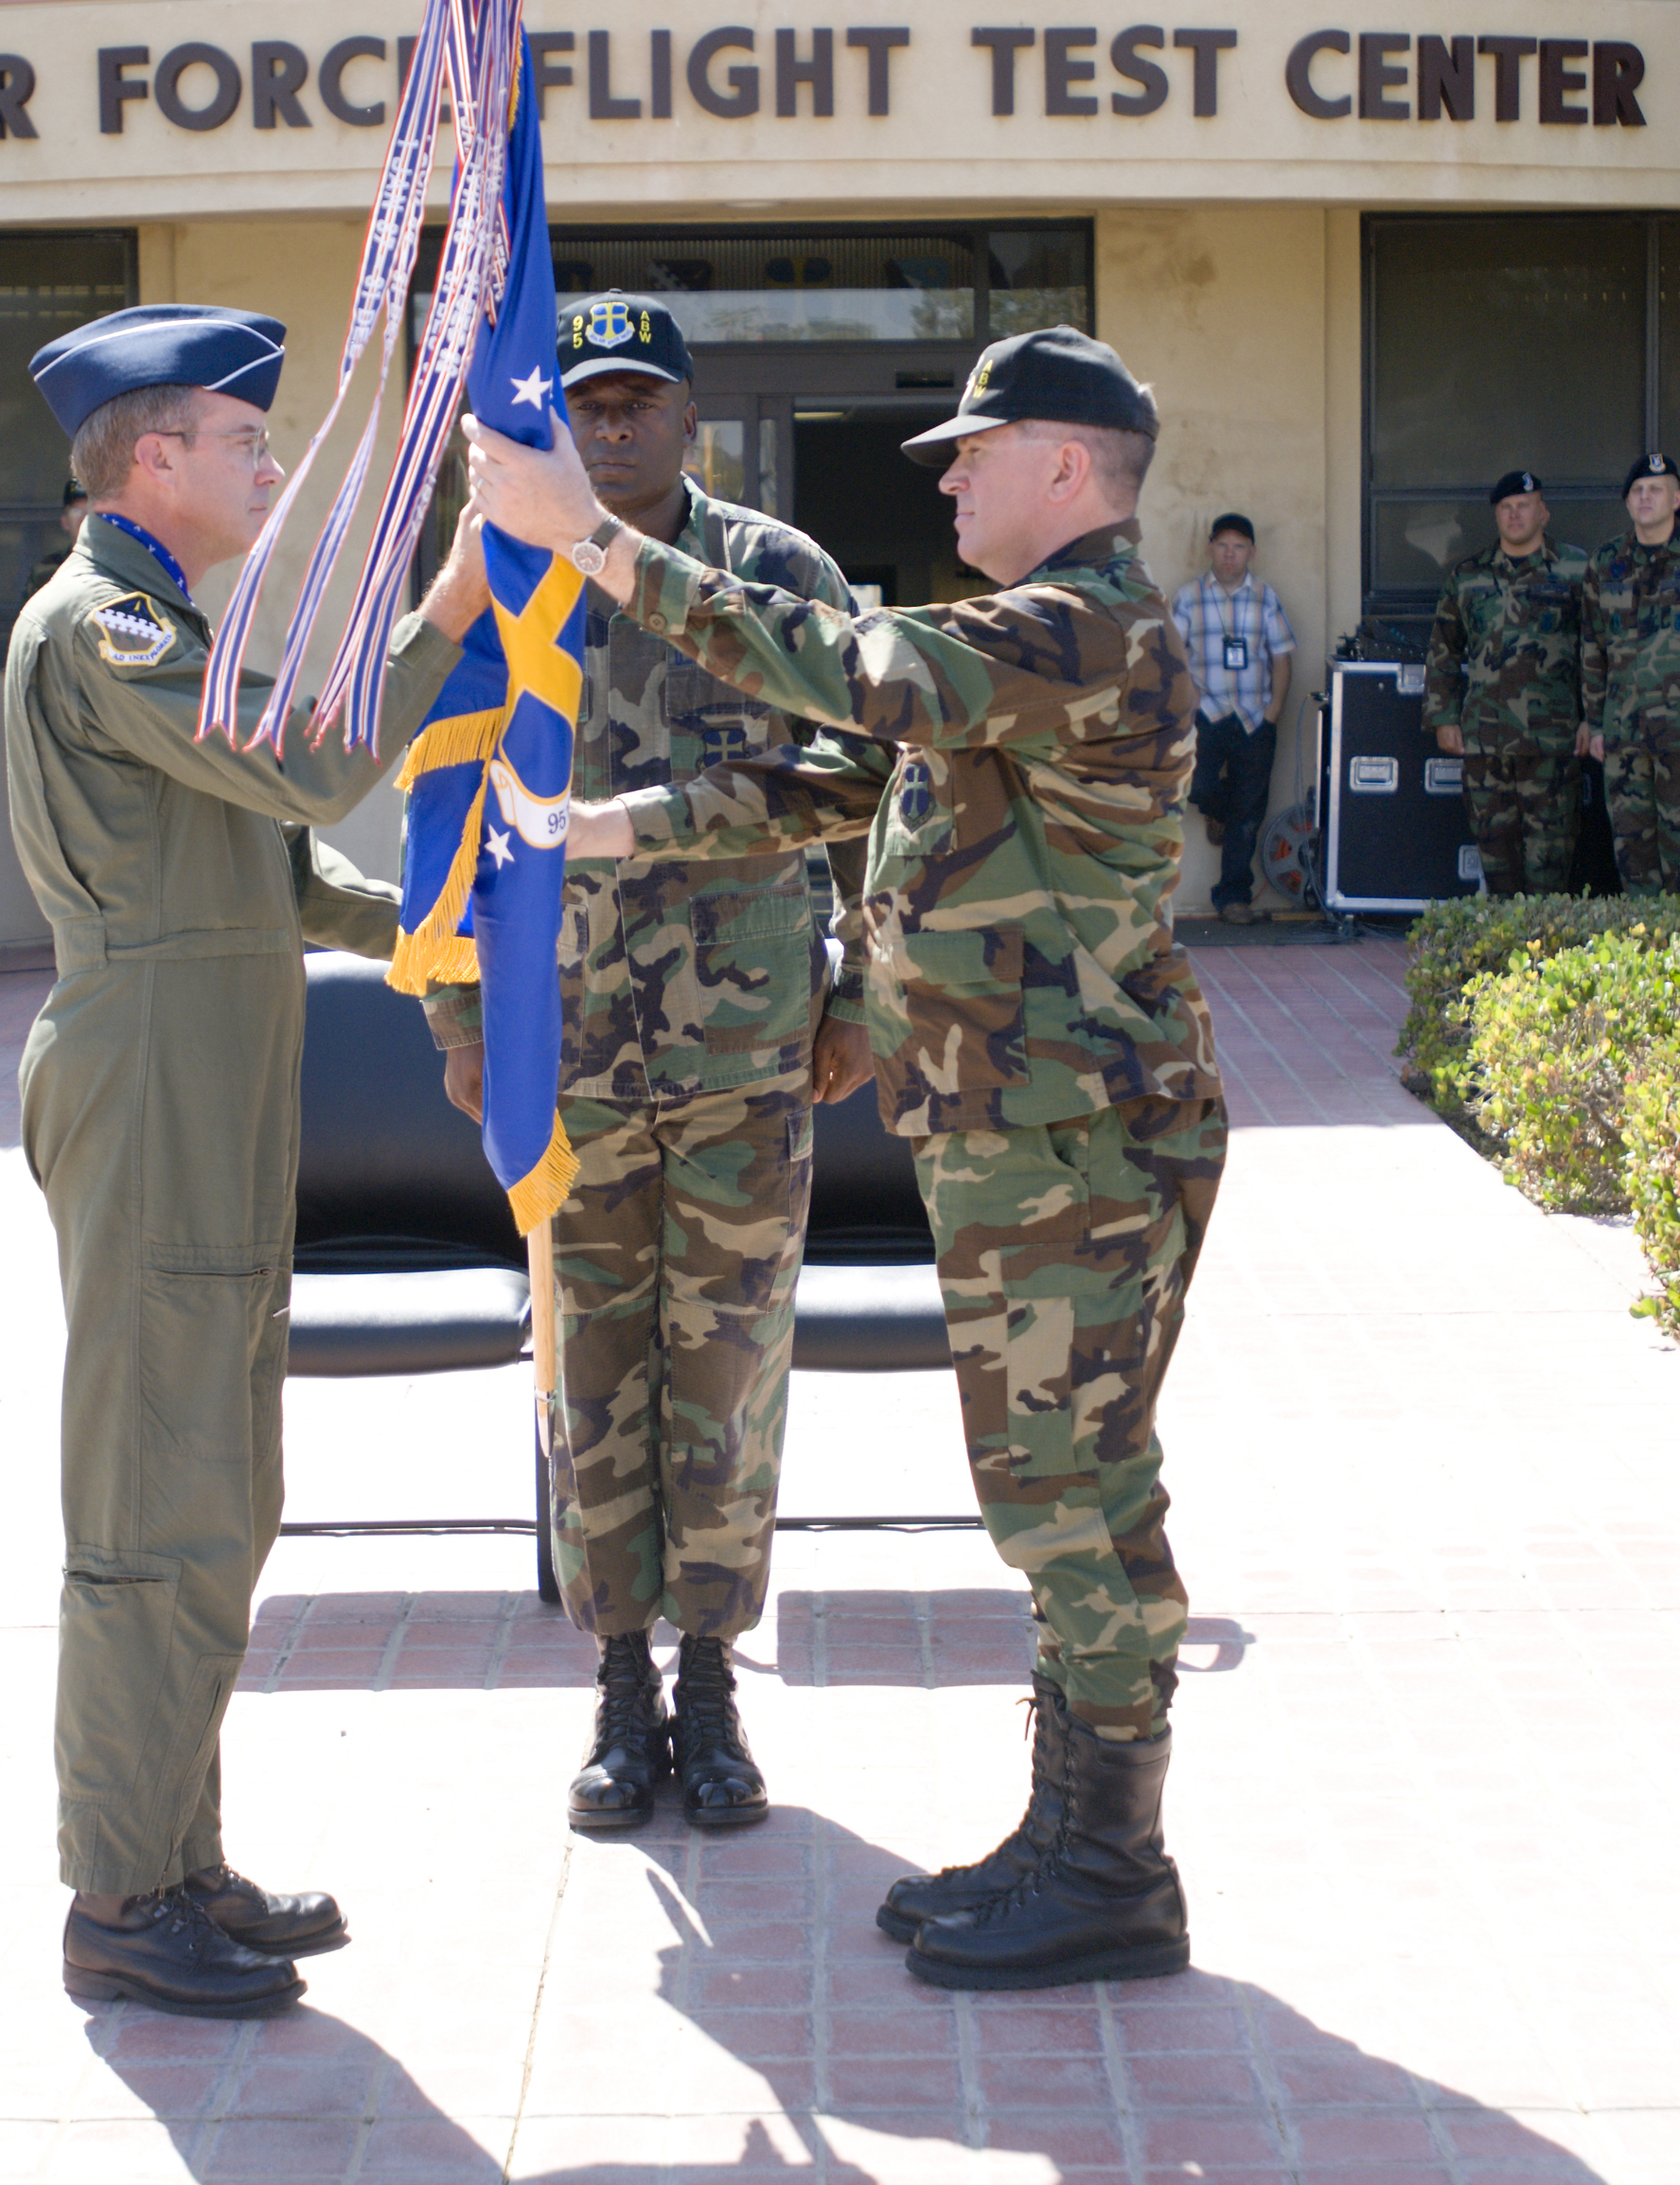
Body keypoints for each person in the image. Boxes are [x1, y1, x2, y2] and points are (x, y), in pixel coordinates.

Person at [462, 323, 1225, 1995]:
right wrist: (611, 828)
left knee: (1079, 1501)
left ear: (1067, 470)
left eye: (973, 451)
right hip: (1021, 1131)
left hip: (1076, 1137)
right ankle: (1071, 1831)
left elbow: (856, 679)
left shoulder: (1080, 625)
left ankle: (1113, 1864)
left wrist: (590, 539)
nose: (946, 475)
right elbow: (830, 776)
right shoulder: (1022, 642)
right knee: (1047, 1494)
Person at [7, 303, 487, 2017]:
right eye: (245, 442)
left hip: (202, 1082)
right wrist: (441, 614)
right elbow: (309, 767)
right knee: (152, 1507)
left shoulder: (162, 623)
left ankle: (173, 1855)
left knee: (211, 1492)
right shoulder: (107, 630)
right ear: (151, 455)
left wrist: (430, 934)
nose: (274, 466)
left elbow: (266, 878)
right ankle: (120, 1896)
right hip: (151, 1086)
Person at [428, 292, 875, 1835]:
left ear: (694, 420)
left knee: (730, 1380)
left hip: (747, 1054)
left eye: (638, 405)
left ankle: (712, 1679)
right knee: (592, 1381)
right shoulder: (501, 578)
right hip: (569, 1066)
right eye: (588, 408)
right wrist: (459, 1021)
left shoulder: (775, 574)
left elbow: (870, 785)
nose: (610, 430)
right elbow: (446, 813)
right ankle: (619, 1684)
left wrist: (864, 994)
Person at [1422, 470, 1585, 897]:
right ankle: (1506, 956)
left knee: (1550, 861)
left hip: (1552, 742)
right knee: (1497, 860)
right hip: (1485, 742)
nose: (1514, 515)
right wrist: (1443, 716)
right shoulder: (1469, 575)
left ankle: (1547, 959)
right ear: (1496, 516)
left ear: (1543, 512)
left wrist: (1595, 721)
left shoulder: (1576, 570)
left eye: (1524, 506)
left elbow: (1600, 649)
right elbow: (1443, 649)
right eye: (1506, 508)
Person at [1169, 512, 1294, 921]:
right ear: (1210, 548)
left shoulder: (1265, 597)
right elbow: (1171, 656)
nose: (1229, 554)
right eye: (1222, 545)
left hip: (1255, 716)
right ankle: (1218, 810)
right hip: (1205, 713)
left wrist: (1273, 712)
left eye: (1238, 547)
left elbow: (1281, 657)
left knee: (1248, 815)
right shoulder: (1188, 597)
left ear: (1251, 553)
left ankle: (1233, 899)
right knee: (1194, 786)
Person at [1581, 450, 1680, 894]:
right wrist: (1595, 721)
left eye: (1656, 490)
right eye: (1637, 491)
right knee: (1633, 853)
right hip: (1624, 733)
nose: (1645, 498)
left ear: (1676, 499)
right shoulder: (1605, 564)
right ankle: (1644, 955)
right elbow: (1593, 647)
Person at [23, 474, 92, 601]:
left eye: (90, 510)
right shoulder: (45, 572)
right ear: (65, 522)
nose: (84, 518)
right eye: (76, 511)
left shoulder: (119, 568)